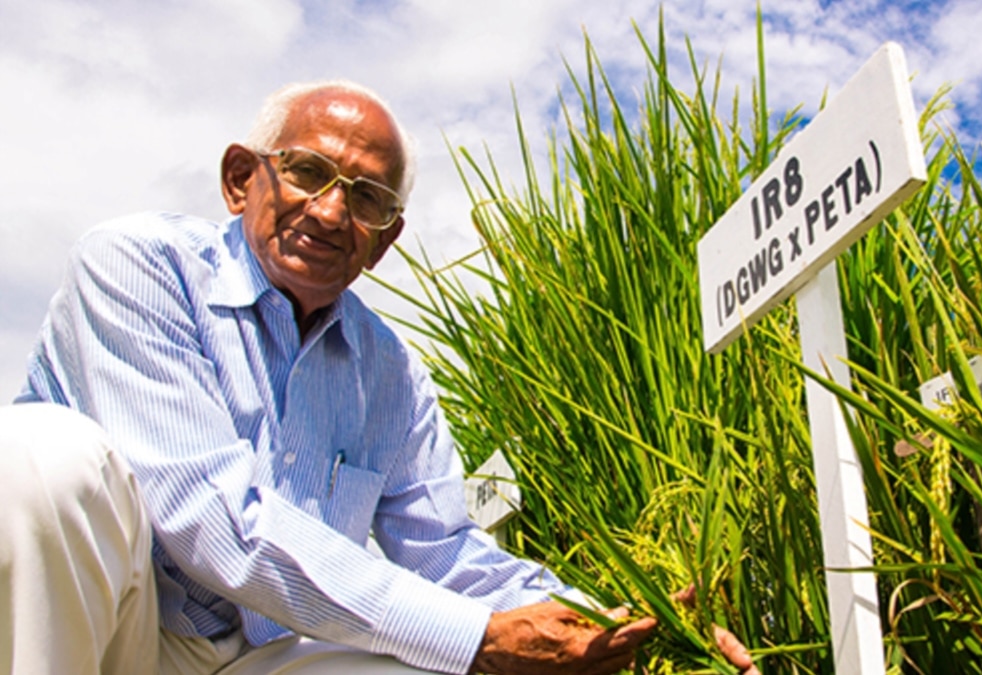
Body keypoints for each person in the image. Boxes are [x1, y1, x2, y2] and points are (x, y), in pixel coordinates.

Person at [4, 80, 757, 675]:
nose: (331, 212)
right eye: (307, 172)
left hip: (267, 654)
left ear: (385, 240)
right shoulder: (137, 264)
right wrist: (477, 637)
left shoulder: (390, 371)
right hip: (119, 631)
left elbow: (449, 552)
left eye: (367, 199)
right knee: (45, 452)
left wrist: (626, 622)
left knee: (455, 666)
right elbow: (215, 517)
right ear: (242, 179)